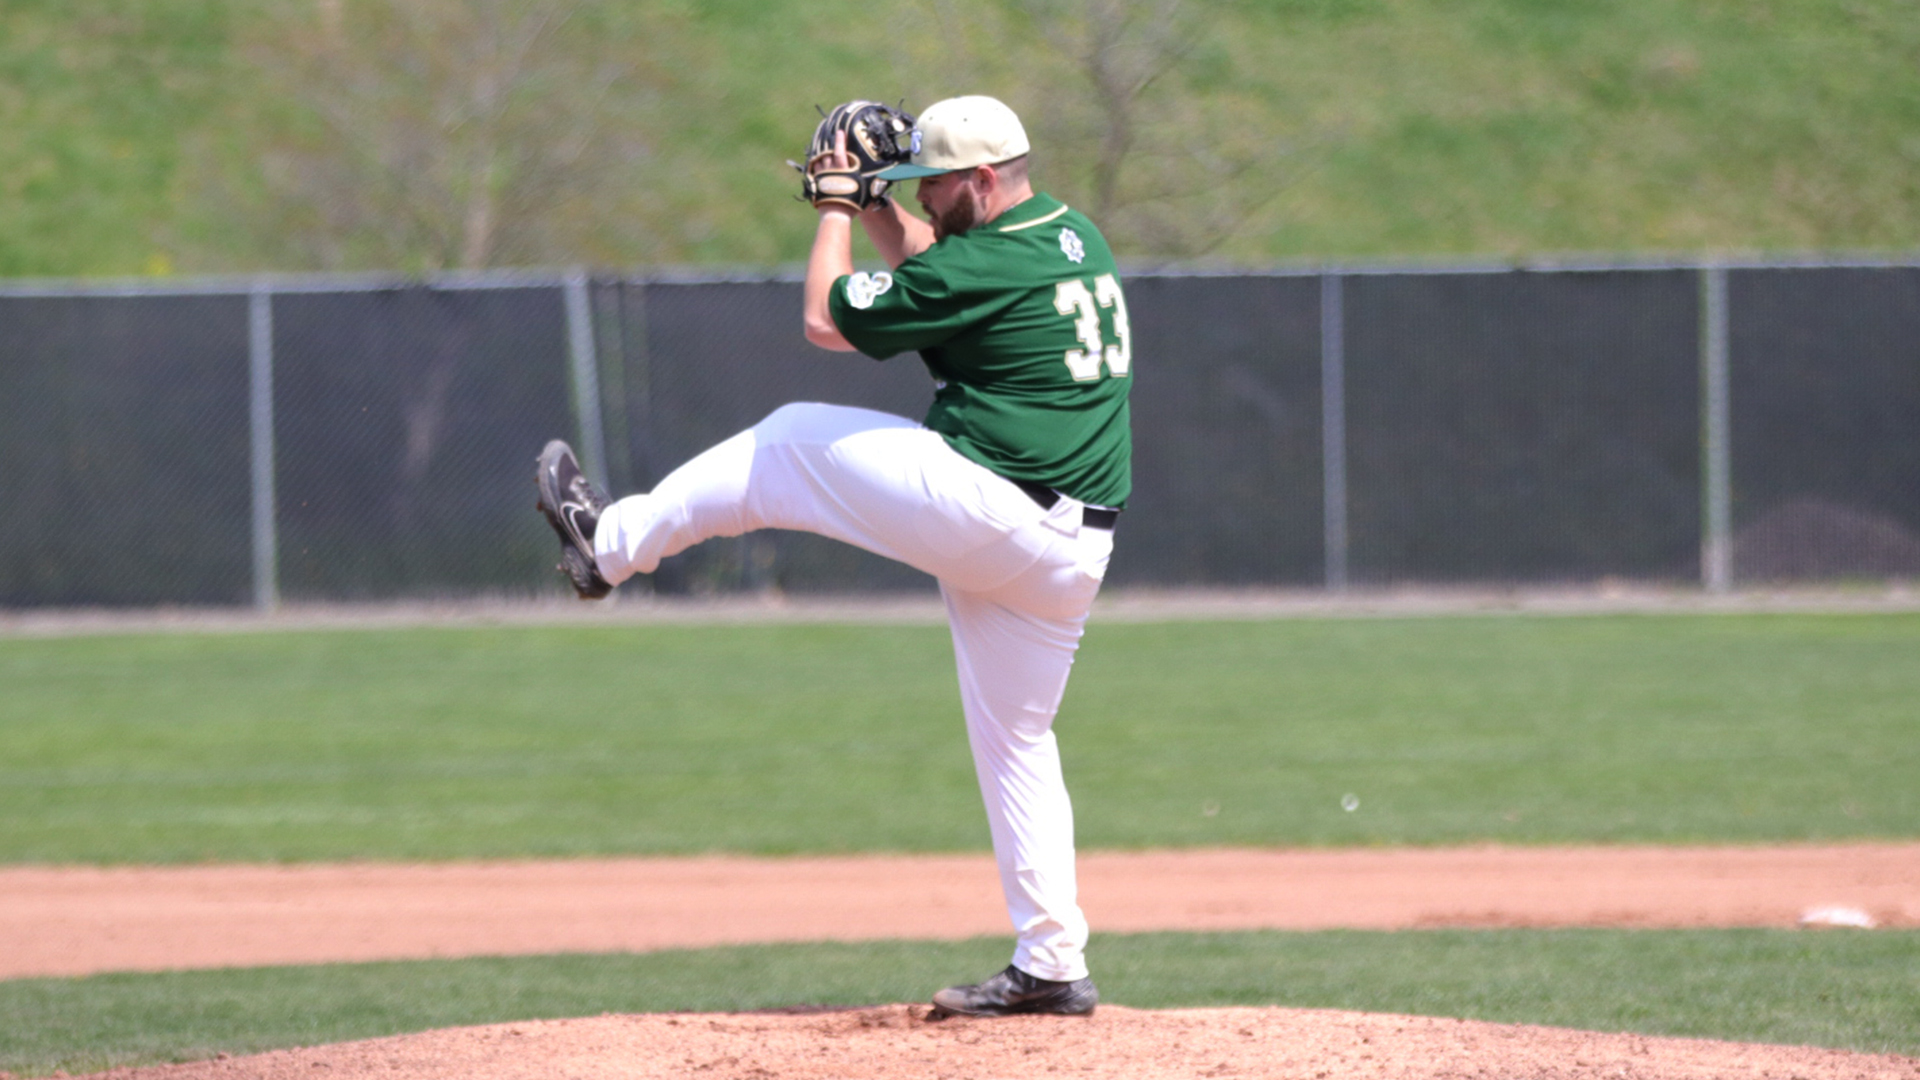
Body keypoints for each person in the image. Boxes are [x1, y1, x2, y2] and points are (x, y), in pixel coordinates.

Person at [535, 94, 1133, 1018]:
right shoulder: (1067, 234)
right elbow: (948, 275)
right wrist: (880, 203)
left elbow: (824, 321)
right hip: (1072, 548)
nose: (922, 198)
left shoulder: (983, 257)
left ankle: (605, 549)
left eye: (932, 183)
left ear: (979, 179)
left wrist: (836, 211)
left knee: (788, 438)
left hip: (1000, 511)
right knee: (1017, 742)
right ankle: (1053, 963)